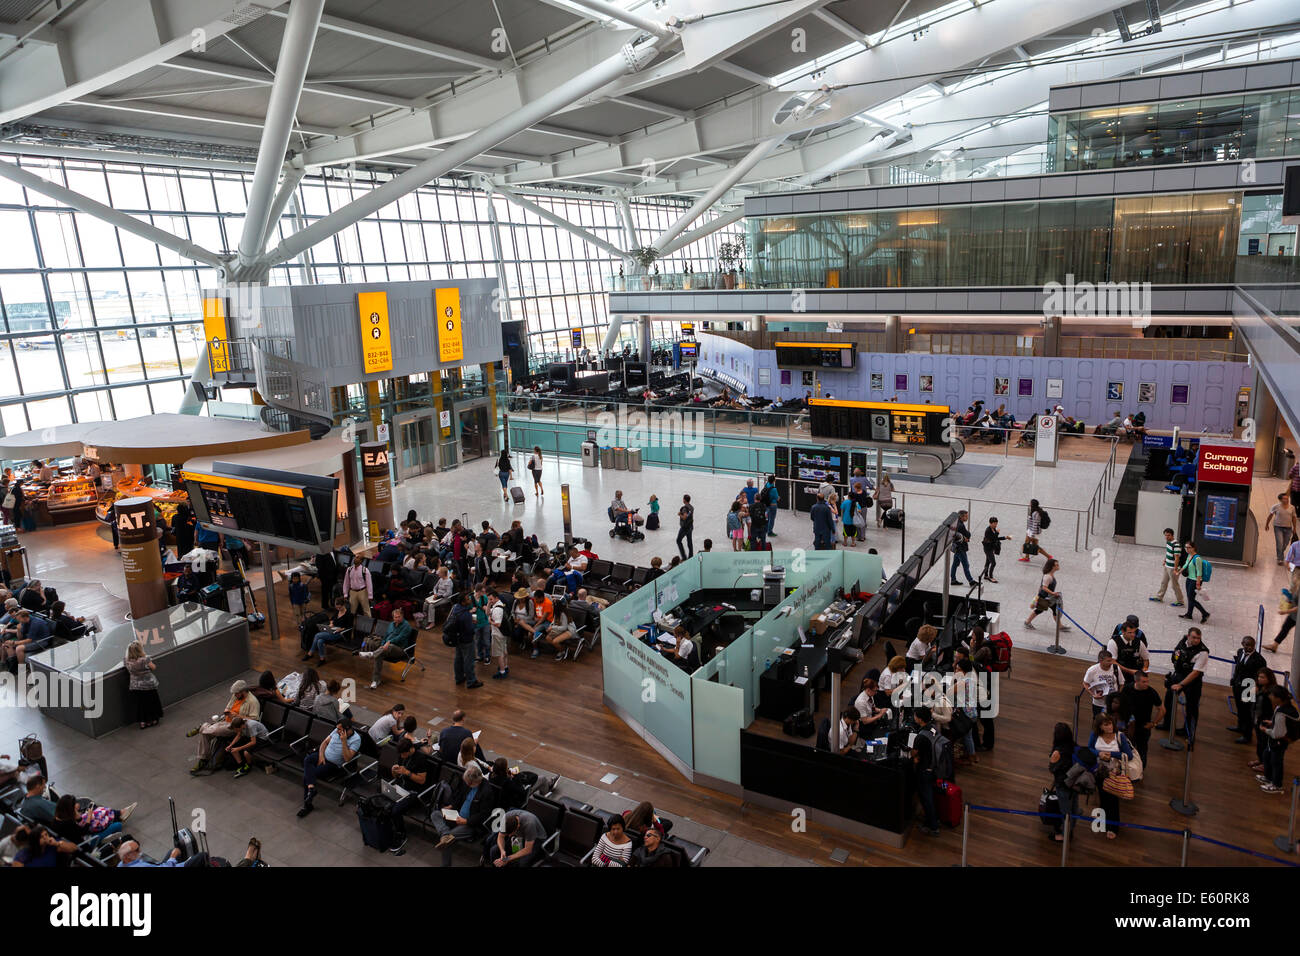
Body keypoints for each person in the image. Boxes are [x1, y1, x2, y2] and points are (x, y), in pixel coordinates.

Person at [188, 679, 260, 773]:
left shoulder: (253, 702)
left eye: (236, 693)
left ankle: (203, 726)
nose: (234, 695)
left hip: (237, 727)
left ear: (242, 691)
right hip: (225, 721)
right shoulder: (235, 696)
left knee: (212, 730)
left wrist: (236, 715)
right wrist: (227, 712)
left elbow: (255, 720)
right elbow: (228, 707)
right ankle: (203, 759)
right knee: (205, 734)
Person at [297, 715, 361, 817]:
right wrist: (321, 756)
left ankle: (307, 804)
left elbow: (348, 758)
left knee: (308, 775)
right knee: (307, 760)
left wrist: (344, 741)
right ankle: (311, 788)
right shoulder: (336, 731)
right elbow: (324, 743)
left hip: (333, 764)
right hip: (322, 756)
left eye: (339, 729)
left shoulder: (356, 739)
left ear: (347, 729)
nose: (337, 731)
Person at [430, 764, 491, 863]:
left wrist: (466, 821)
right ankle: (445, 834)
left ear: (474, 782)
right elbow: (459, 797)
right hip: (457, 816)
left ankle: (445, 840)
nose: (466, 784)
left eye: (467, 783)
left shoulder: (486, 792)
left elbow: (483, 815)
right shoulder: (467, 783)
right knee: (435, 814)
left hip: (470, 824)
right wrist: (451, 806)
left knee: (447, 841)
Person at [1089, 713, 1136, 839]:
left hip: (1114, 773)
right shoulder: (1095, 735)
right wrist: (1099, 754)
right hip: (1099, 772)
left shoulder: (1120, 736)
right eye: (1106, 724)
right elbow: (1089, 748)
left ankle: (1113, 827)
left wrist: (1111, 754)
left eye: (1110, 723)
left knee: (1113, 801)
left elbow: (1129, 755)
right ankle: (1102, 820)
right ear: (1100, 727)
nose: (1110, 726)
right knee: (1103, 797)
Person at [1159, 626, 1208, 742]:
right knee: (1169, 699)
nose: (1196, 640)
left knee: (1192, 707)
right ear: (1188, 636)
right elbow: (1176, 654)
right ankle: (1167, 724)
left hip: (1193, 681)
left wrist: (1181, 685)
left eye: (1198, 638)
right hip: (1179, 674)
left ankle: (1189, 733)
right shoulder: (1183, 642)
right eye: (1194, 637)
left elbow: (1196, 673)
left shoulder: (1203, 652)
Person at [359, 606, 416, 690]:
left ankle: (372, 654)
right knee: (379, 656)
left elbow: (400, 638)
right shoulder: (391, 625)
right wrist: (382, 644)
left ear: (402, 616)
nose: (397, 619)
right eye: (395, 617)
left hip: (400, 650)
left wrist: (389, 642)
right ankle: (375, 680)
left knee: (389, 646)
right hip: (386, 648)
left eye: (399, 617)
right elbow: (385, 636)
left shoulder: (406, 626)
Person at [1117, 669, 1163, 766]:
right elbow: (1121, 704)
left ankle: (1141, 770)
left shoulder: (1151, 692)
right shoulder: (1127, 689)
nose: (1147, 684)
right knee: (1127, 748)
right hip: (1128, 726)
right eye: (1144, 682)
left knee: (1142, 751)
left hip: (1143, 727)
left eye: (1147, 681)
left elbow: (1162, 710)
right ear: (1136, 681)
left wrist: (1153, 723)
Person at [1259, 686, 1299, 794]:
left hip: (1279, 741)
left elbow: (1277, 734)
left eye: (1272, 695)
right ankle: (1268, 777)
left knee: (1276, 762)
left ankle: (1277, 784)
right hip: (1280, 740)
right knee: (1267, 755)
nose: (1270, 697)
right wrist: (1272, 723)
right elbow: (1283, 724)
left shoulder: (1281, 712)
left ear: (1279, 698)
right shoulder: (1285, 708)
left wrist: (1264, 730)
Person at [1229, 636, 1267, 743]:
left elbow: (1259, 676)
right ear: (1242, 644)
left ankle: (1247, 735)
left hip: (1249, 687)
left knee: (1247, 712)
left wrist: (1255, 688)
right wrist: (1234, 679)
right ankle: (1240, 727)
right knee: (1239, 707)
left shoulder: (1259, 660)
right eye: (1247, 645)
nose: (1249, 647)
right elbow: (1238, 667)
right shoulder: (1240, 651)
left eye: (1251, 645)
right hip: (1237, 685)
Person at [911, 707, 940, 836]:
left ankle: (933, 826)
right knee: (930, 796)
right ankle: (932, 819)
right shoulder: (933, 728)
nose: (914, 718)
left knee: (926, 798)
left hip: (925, 770)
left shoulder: (920, 737)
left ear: (920, 719)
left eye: (915, 716)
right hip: (934, 767)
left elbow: (914, 754)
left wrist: (914, 756)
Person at [1047, 722, 1077, 840]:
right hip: (1074, 782)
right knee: (1074, 807)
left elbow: (1052, 768)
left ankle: (1065, 835)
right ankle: (1071, 829)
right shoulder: (1074, 746)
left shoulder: (1057, 752)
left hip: (1062, 784)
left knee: (1065, 811)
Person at [125, 639, 162, 729]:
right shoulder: (145, 659)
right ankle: (153, 719)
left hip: (135, 686)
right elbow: (153, 667)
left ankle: (143, 722)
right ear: (140, 649)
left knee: (141, 704)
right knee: (152, 702)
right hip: (148, 685)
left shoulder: (127, 661)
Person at [1024, 558, 1070, 630]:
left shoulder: (1050, 575)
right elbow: (1044, 587)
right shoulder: (1048, 576)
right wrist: (1053, 593)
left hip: (1048, 597)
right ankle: (1027, 622)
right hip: (1045, 597)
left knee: (1051, 610)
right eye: (1056, 565)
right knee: (1040, 610)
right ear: (1052, 567)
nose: (1058, 566)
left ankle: (1060, 626)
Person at [305, 596, 353, 663]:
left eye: (339, 607)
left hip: (340, 634)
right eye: (337, 607)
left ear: (343, 605)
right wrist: (331, 624)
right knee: (320, 641)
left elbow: (349, 626)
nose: (338, 609)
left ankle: (310, 653)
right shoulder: (337, 612)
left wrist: (341, 629)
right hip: (332, 630)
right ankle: (322, 659)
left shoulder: (349, 614)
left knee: (317, 635)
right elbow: (332, 619)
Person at [1149, 527, 1185, 607]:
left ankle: (1180, 601)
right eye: (1165, 535)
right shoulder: (1168, 542)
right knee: (1163, 582)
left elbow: (1177, 558)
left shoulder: (1176, 545)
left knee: (1174, 585)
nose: (1166, 537)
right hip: (1167, 566)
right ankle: (1159, 597)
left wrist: (1175, 569)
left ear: (1172, 535)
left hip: (1173, 568)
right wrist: (1165, 560)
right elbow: (1168, 552)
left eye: (1168, 535)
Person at [1082, 650, 1125, 716]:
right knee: (1098, 721)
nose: (1111, 663)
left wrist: (1118, 696)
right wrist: (1093, 695)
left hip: (1112, 703)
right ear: (1101, 661)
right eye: (1108, 661)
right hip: (1099, 703)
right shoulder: (1092, 670)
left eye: (1111, 660)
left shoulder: (1116, 668)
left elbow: (1122, 683)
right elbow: (1085, 683)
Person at [1178, 541, 1209, 624]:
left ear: (1193, 548)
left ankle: (1205, 614)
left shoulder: (1197, 558)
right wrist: (1179, 571)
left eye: (1188, 547)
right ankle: (1189, 614)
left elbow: (1199, 572)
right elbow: (1186, 564)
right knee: (1190, 598)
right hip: (1189, 579)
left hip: (1195, 581)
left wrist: (1198, 584)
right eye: (1185, 547)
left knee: (1191, 599)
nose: (1186, 549)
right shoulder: (1189, 555)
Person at [1266, 491, 1298, 565]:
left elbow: (1294, 518)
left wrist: (1295, 528)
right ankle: (1280, 559)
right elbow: (1270, 516)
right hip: (1278, 527)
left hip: (1288, 528)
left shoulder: (1292, 507)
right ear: (1280, 500)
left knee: (1285, 543)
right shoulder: (1275, 507)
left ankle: (1280, 554)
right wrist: (1267, 524)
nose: (1287, 500)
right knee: (1280, 543)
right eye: (1285, 499)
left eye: (1287, 498)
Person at [950, 510, 976, 587]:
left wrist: (964, 537)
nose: (967, 517)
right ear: (962, 517)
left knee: (955, 564)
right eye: (966, 516)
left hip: (956, 547)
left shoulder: (956, 522)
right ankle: (971, 581)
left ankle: (953, 580)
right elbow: (968, 534)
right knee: (966, 564)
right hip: (960, 548)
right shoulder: (961, 525)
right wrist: (965, 537)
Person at [980, 516, 1009, 583]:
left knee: (988, 562)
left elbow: (996, 538)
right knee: (993, 563)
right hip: (988, 548)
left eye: (996, 523)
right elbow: (993, 538)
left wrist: (1005, 537)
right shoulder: (988, 530)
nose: (995, 525)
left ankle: (986, 575)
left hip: (991, 548)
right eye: (994, 523)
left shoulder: (994, 529)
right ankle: (990, 576)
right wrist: (997, 533)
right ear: (990, 523)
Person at [676, 494, 695, 559]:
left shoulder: (684, 508)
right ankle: (691, 556)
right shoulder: (691, 507)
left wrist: (679, 514)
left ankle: (684, 556)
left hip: (684, 528)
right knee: (689, 541)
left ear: (684, 500)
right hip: (690, 526)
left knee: (678, 540)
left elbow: (684, 517)